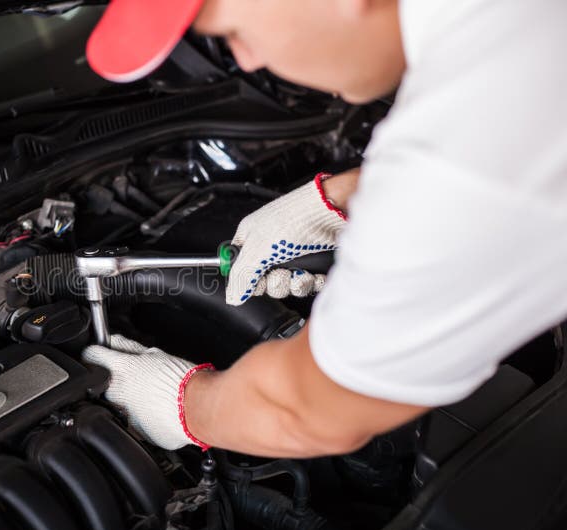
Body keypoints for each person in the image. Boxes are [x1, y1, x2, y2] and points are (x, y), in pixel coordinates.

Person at [81, 0, 567, 457]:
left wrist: (181, 405)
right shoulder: (506, 33)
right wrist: (340, 199)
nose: (246, 62)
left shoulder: (462, 142)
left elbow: (312, 410)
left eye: (233, 32)